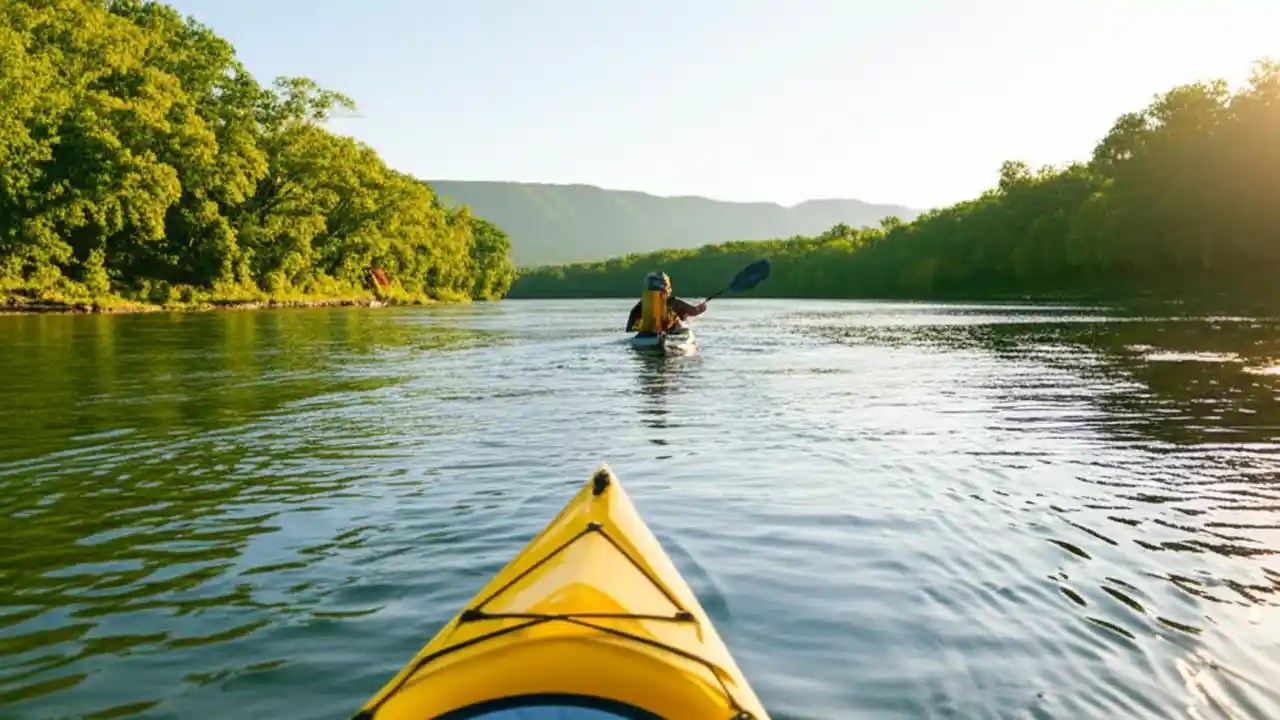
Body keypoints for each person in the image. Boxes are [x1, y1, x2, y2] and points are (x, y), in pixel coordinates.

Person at [626, 271, 707, 334]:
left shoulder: (638, 308)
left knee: (680, 317)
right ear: (667, 287)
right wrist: (702, 307)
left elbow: (629, 331)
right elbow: (695, 311)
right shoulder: (675, 303)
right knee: (680, 320)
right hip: (669, 334)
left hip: (647, 335)